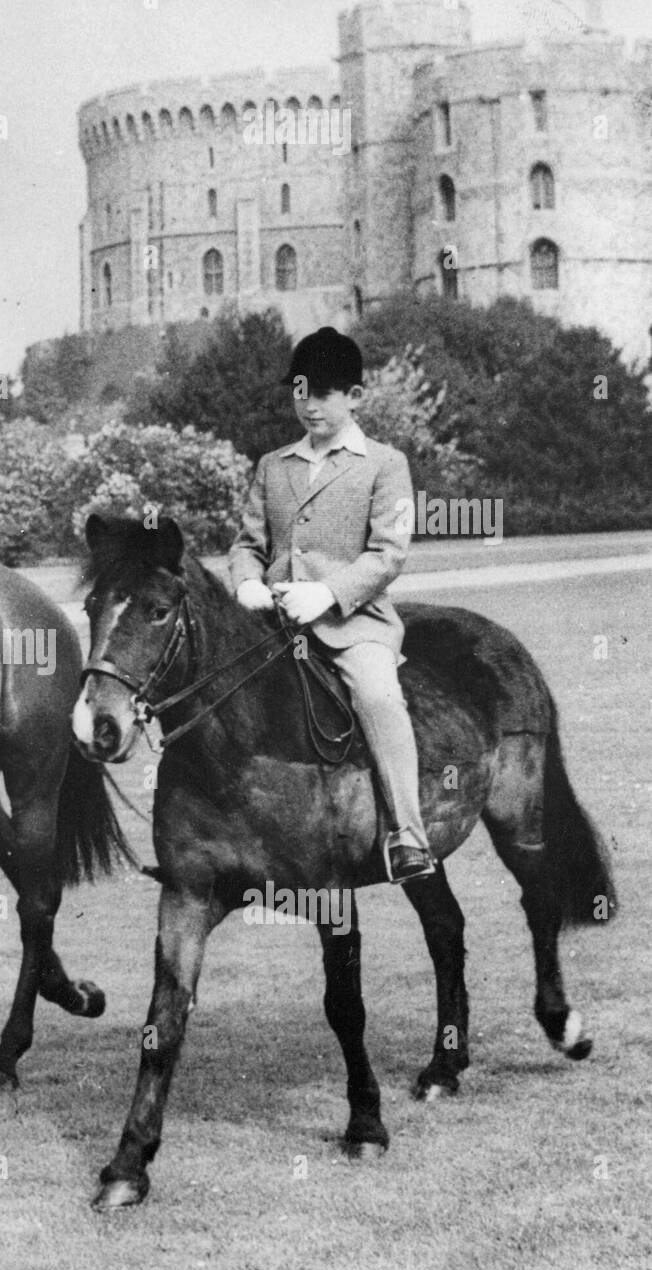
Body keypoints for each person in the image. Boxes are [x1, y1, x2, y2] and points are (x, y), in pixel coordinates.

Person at [229, 326, 436, 883]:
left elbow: (389, 553)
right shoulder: (273, 464)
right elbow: (248, 544)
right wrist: (247, 580)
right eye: (301, 392)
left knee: (379, 695)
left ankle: (407, 836)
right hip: (271, 623)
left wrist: (328, 592)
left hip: (352, 623)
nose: (309, 405)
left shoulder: (385, 464)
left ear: (355, 398)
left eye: (322, 393)